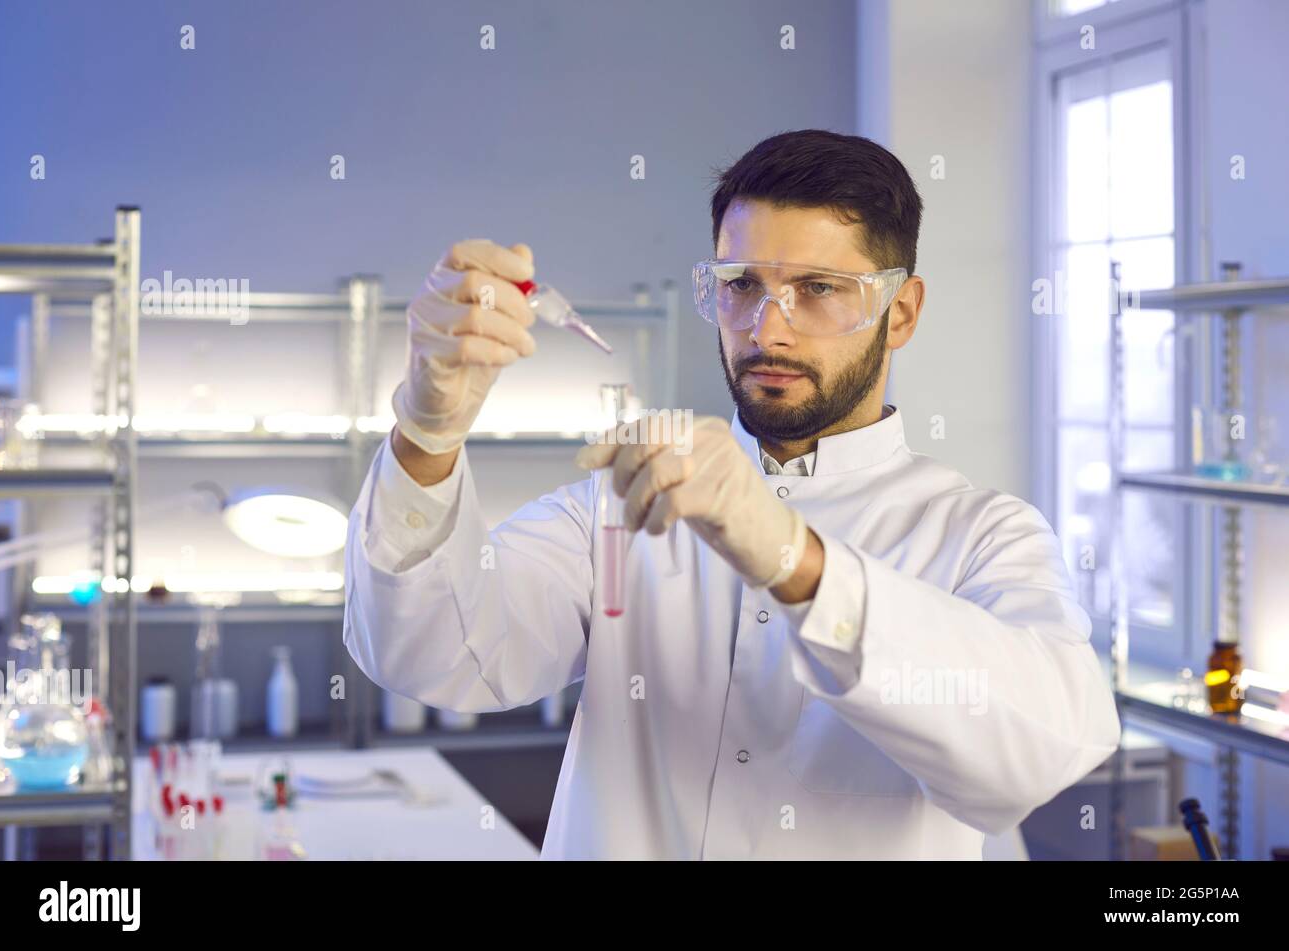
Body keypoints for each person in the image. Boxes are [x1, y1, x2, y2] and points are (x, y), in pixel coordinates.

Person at [343, 129, 1120, 860]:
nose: (767, 329)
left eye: (819, 289)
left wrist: (794, 558)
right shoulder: (623, 503)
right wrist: (428, 430)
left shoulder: (980, 532)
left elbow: (1038, 755)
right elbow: (432, 653)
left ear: (902, 310)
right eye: (741, 284)